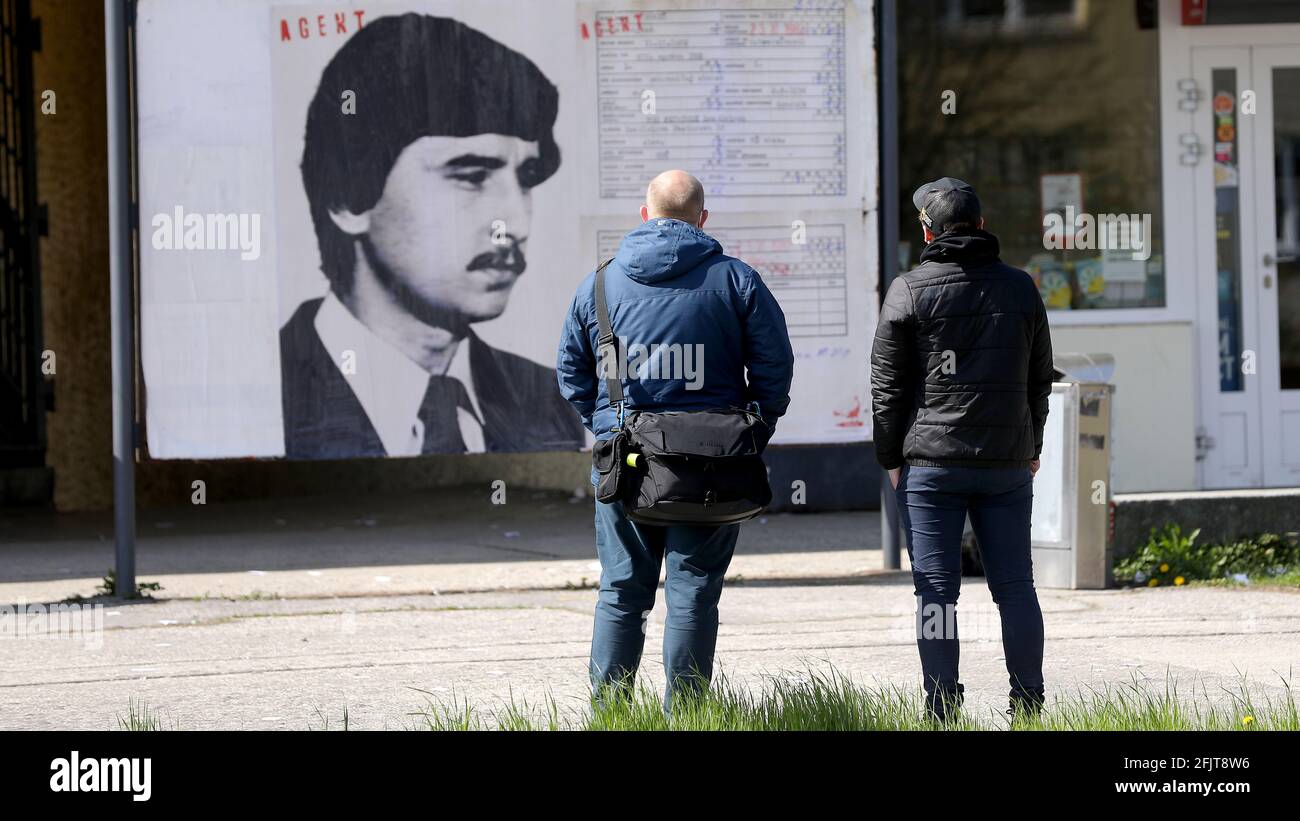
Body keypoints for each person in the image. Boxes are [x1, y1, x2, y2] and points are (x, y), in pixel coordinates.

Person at [280, 13, 585, 459]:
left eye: (526, 177)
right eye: (471, 176)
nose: (516, 224)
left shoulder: (555, 404)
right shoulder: (266, 392)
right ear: (348, 199)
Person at [556, 170, 794, 708]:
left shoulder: (599, 283)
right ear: (702, 219)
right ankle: (685, 715)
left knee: (622, 590)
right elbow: (775, 368)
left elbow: (572, 374)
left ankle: (612, 714)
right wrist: (752, 431)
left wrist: (609, 429)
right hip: (712, 465)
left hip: (624, 462)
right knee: (692, 591)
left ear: (645, 215)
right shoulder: (737, 280)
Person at [870, 177, 1055, 723]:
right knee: (1016, 586)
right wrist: (1031, 444)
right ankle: (1027, 706)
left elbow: (887, 387)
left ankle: (943, 707)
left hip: (931, 464)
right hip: (1005, 463)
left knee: (936, 594)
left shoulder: (907, 289)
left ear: (926, 229)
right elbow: (1039, 378)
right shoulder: (1021, 288)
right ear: (982, 223)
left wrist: (890, 460)